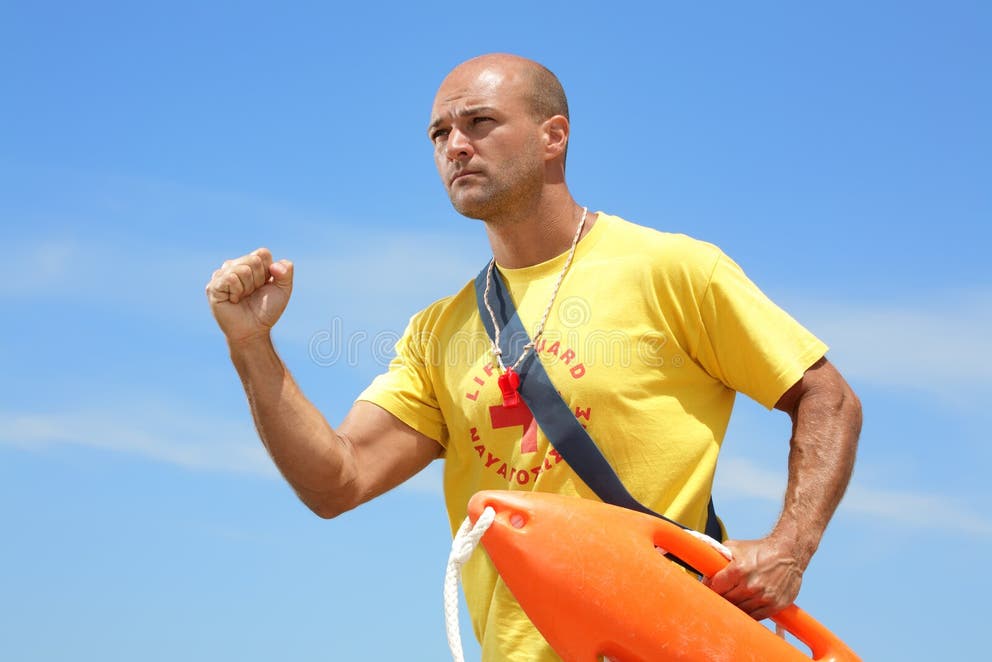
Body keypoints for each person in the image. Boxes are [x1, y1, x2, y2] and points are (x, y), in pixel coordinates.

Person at [205, 53, 862, 661]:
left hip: (666, 646)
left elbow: (827, 396)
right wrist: (251, 345)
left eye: (479, 123)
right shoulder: (438, 332)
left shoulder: (671, 271)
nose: (455, 146)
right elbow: (337, 482)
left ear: (554, 136)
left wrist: (789, 546)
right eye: (439, 134)